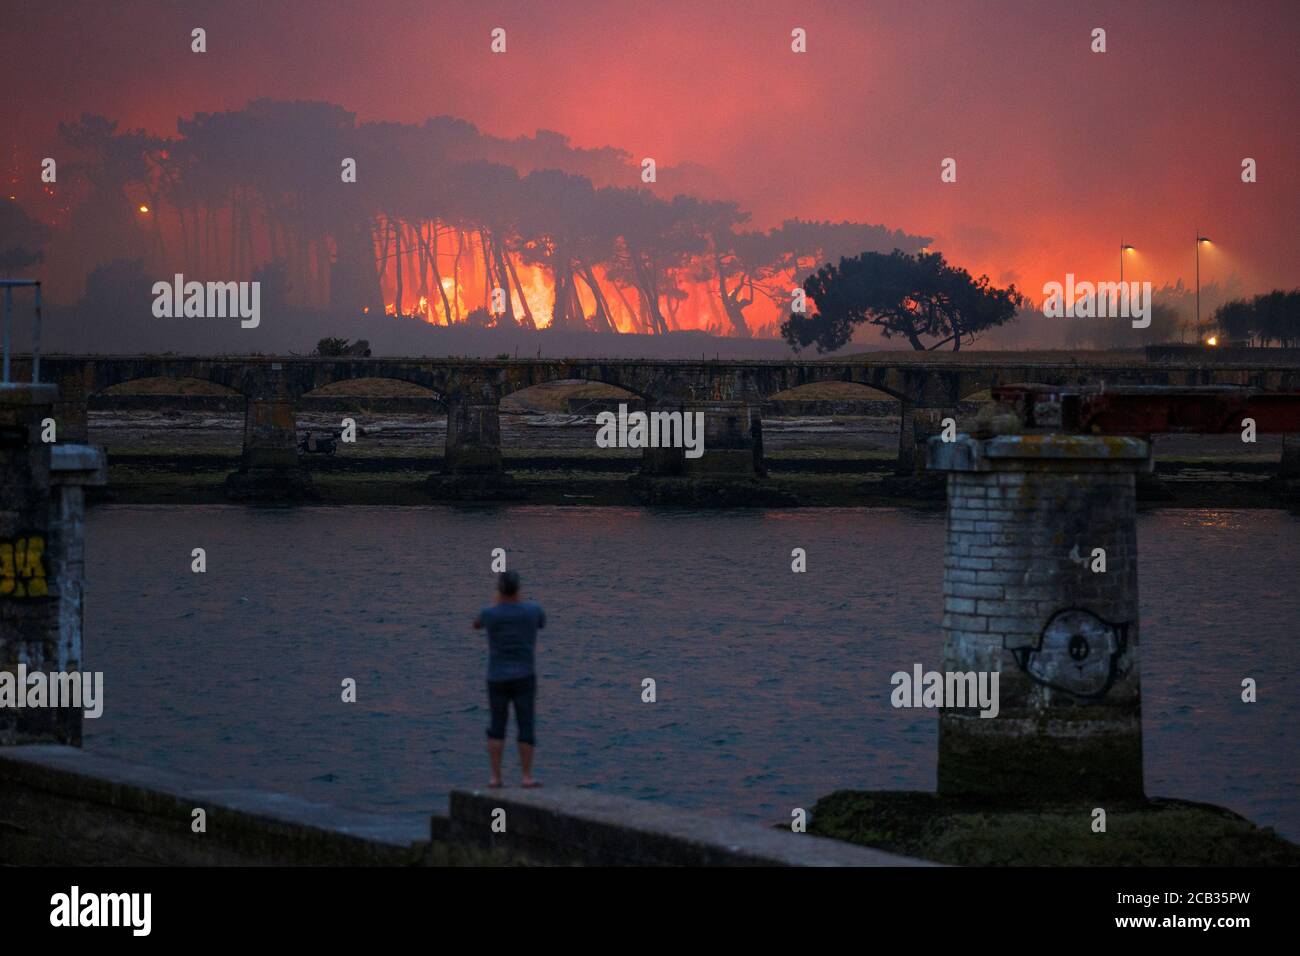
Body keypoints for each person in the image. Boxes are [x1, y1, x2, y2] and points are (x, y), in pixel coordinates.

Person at [473, 571, 545, 788]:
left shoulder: (490, 613)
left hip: (496, 676)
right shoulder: (532, 611)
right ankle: (526, 777)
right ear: (518, 589)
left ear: (500, 589)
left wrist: (496, 603)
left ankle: (495, 778)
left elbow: (476, 624)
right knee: (526, 725)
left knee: (497, 726)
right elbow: (541, 622)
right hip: (525, 675)